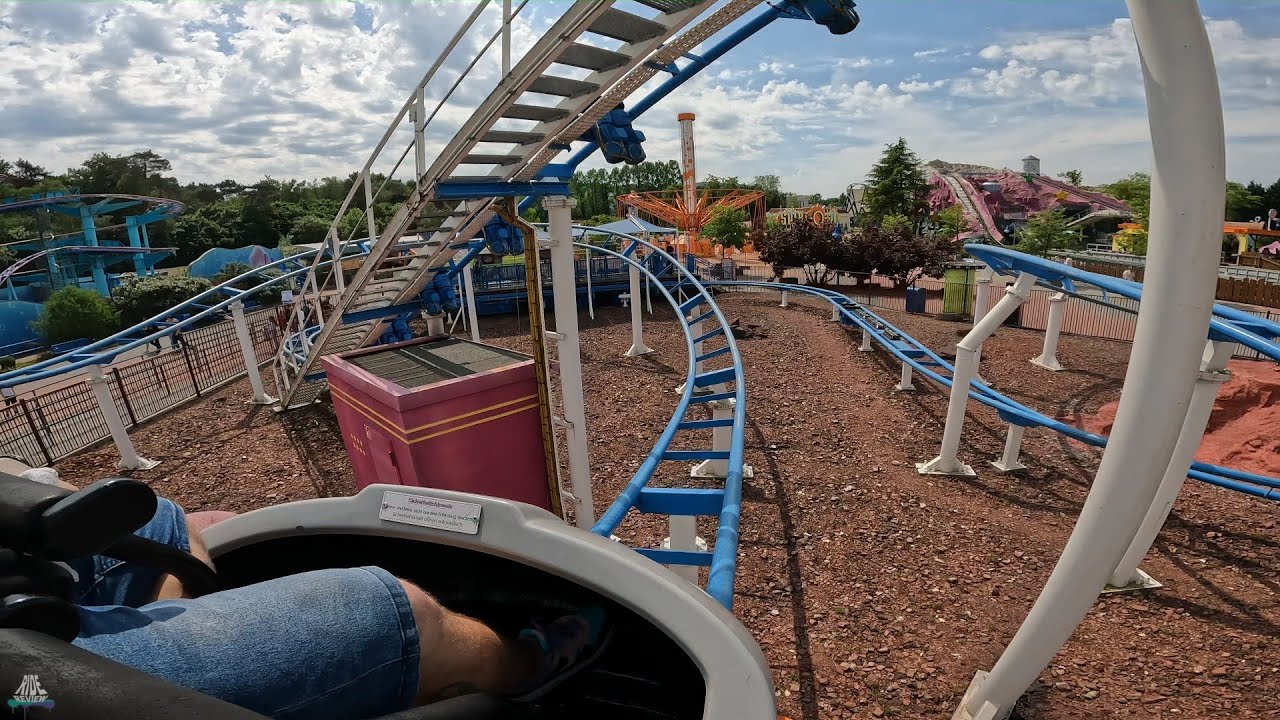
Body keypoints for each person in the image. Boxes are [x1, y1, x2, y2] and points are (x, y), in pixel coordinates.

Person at [57, 482, 606, 720]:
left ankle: (243, 653)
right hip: (29, 693)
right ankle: (530, 666)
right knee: (392, 612)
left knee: (160, 521)